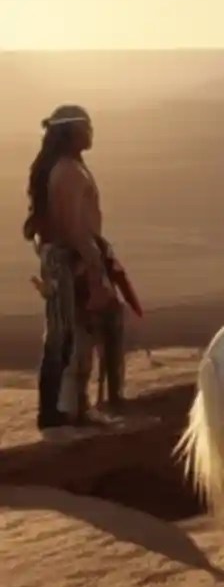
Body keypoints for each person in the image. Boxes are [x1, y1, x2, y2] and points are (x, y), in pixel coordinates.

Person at [22, 105, 126, 429]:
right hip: (68, 260)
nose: (91, 133)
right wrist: (93, 263)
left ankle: (74, 408)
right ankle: (55, 413)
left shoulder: (68, 167)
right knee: (64, 334)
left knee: (79, 331)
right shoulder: (66, 171)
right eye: (86, 127)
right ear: (70, 133)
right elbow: (72, 226)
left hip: (70, 257)